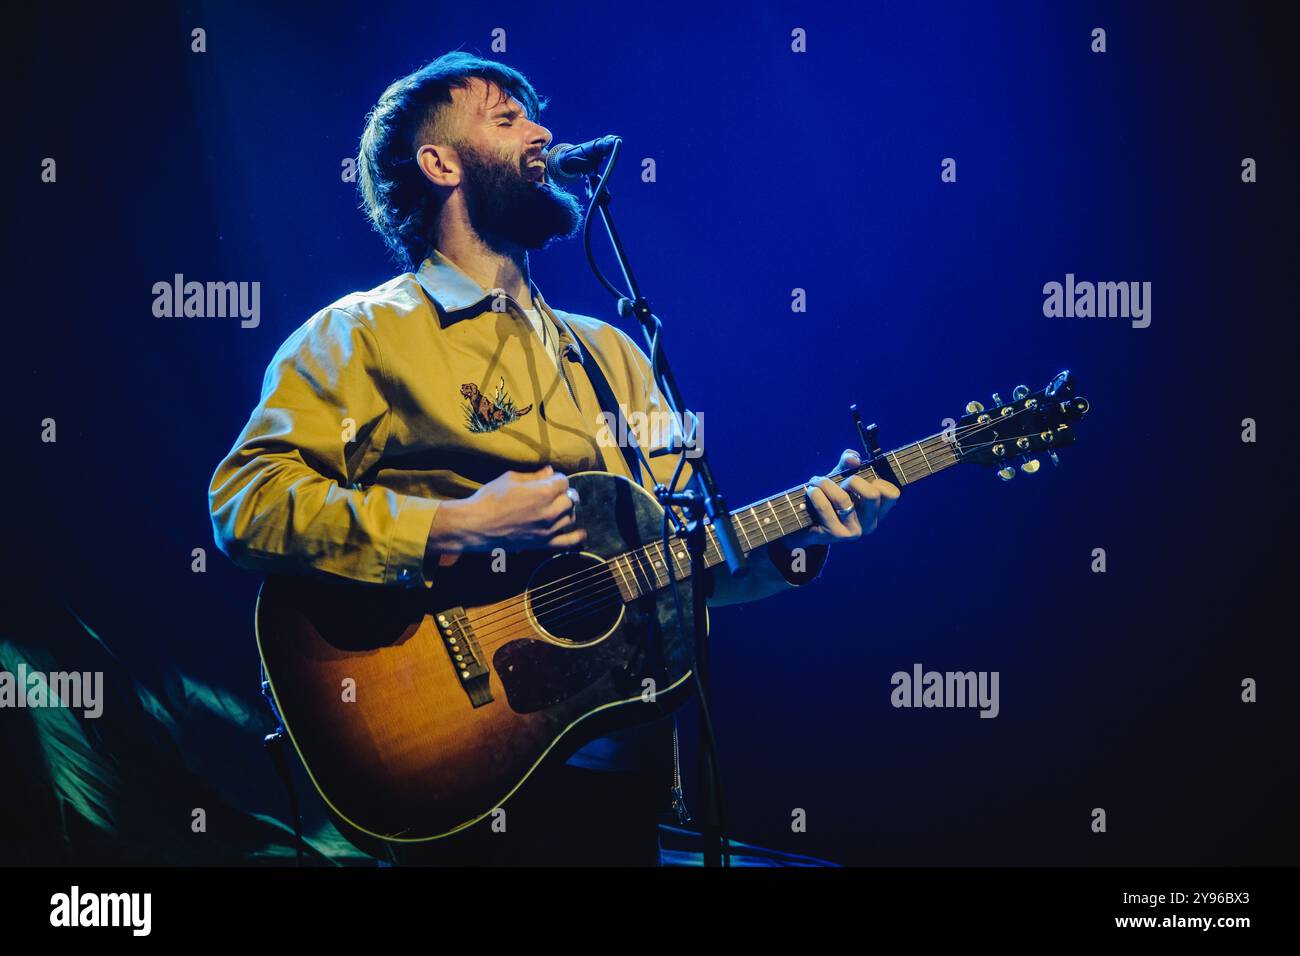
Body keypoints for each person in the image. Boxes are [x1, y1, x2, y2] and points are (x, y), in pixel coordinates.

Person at [209, 52, 899, 866]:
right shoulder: (362, 335)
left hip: (619, 766)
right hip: (452, 750)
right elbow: (245, 502)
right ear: (440, 164)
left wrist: (799, 538)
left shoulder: (613, 352)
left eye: (535, 116)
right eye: (506, 118)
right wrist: (452, 524)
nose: (541, 132)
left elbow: (679, 562)